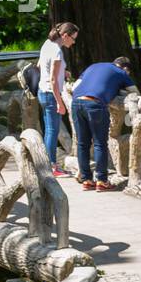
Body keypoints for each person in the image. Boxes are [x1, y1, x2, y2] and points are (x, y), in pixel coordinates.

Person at [71, 56, 134, 191]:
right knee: (100, 143)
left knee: (82, 143)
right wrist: (119, 89)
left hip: (76, 103)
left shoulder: (93, 66)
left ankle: (86, 179)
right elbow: (135, 92)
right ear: (125, 68)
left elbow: (75, 86)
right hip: (95, 104)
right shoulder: (121, 72)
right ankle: (102, 180)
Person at [37, 22, 79, 176]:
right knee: (52, 131)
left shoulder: (47, 44)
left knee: (48, 130)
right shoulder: (57, 52)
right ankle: (52, 167)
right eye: (73, 39)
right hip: (51, 94)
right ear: (65, 36)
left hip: (42, 91)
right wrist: (60, 103)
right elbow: (54, 80)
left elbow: (41, 66)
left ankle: (48, 165)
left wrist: (63, 71)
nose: (73, 42)